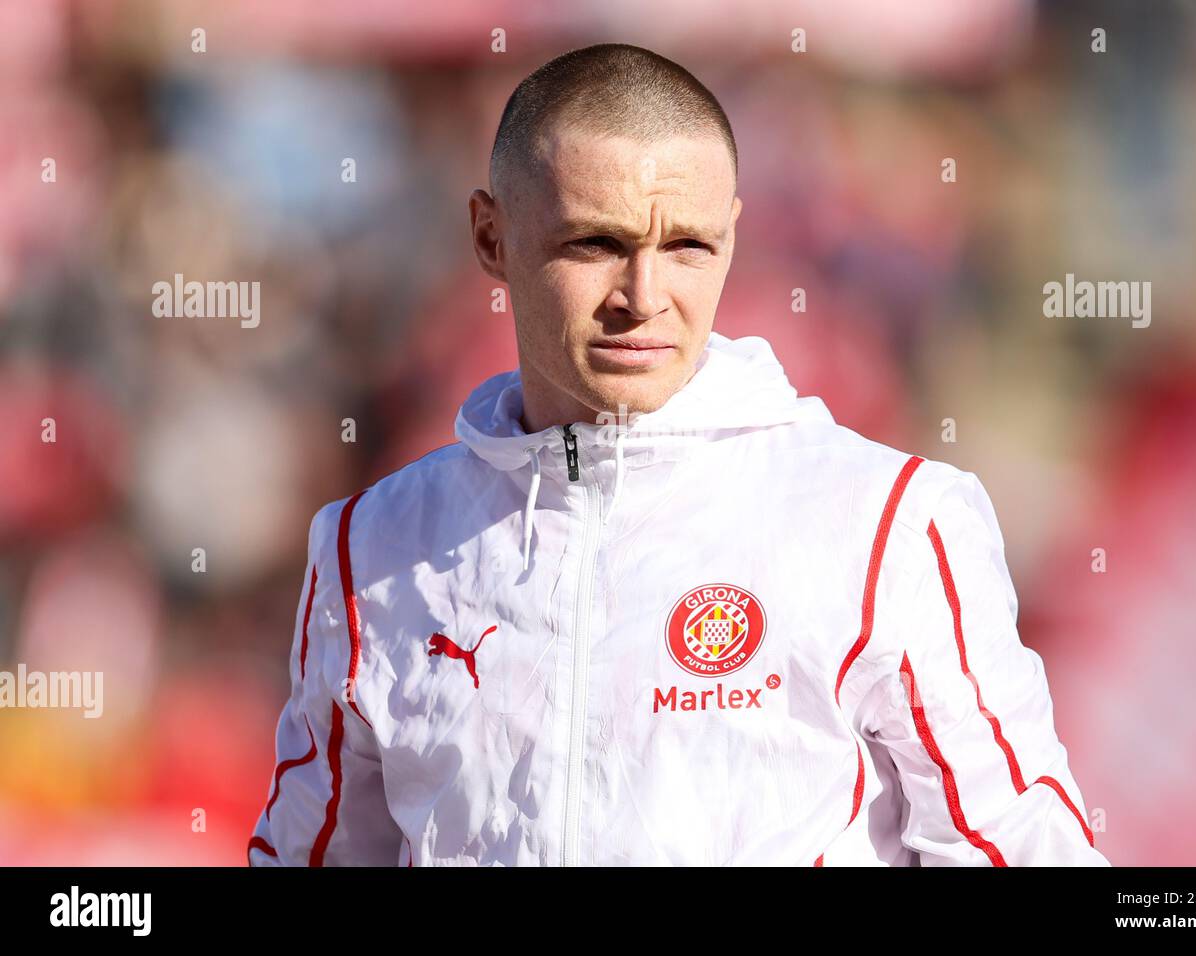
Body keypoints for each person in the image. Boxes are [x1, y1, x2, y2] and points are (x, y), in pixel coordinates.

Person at [248, 43, 1108, 867]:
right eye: (595, 244)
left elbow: (1018, 846)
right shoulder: (372, 547)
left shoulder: (888, 521)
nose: (644, 298)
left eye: (686, 246)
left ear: (731, 237)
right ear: (491, 237)